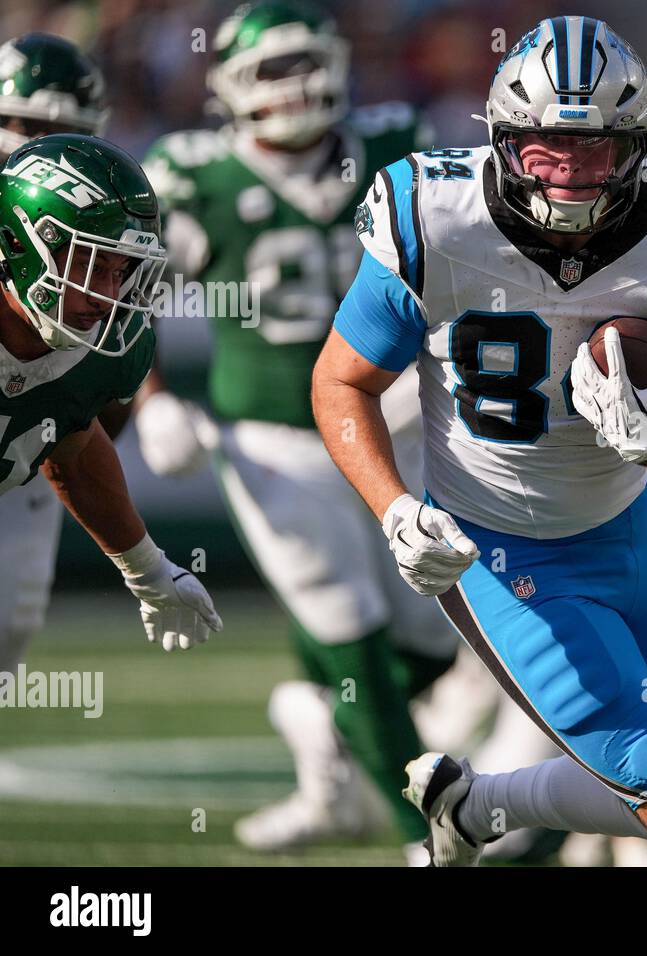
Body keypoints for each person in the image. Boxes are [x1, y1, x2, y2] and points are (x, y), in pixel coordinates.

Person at [313, 16, 647, 867]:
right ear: (502, 140)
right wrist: (395, 509)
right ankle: (476, 807)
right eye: (546, 148)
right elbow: (341, 382)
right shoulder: (434, 215)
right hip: (498, 545)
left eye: (593, 153)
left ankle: (474, 806)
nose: (567, 175)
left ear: (636, 148)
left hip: (628, 531)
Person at [136, 0, 456, 864]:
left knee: (435, 637)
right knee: (347, 623)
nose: (296, 85)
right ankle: (425, 836)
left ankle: (325, 732)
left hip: (394, 424)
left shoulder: (397, 143)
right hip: (274, 437)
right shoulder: (192, 171)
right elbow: (124, 296)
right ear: (231, 87)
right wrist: (152, 396)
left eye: (304, 62)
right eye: (271, 70)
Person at [0, 133, 221, 658]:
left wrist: (146, 569)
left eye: (120, 270)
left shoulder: (102, 349)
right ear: (20, 243)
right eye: (90, 264)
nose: (108, 293)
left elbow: (71, 447)